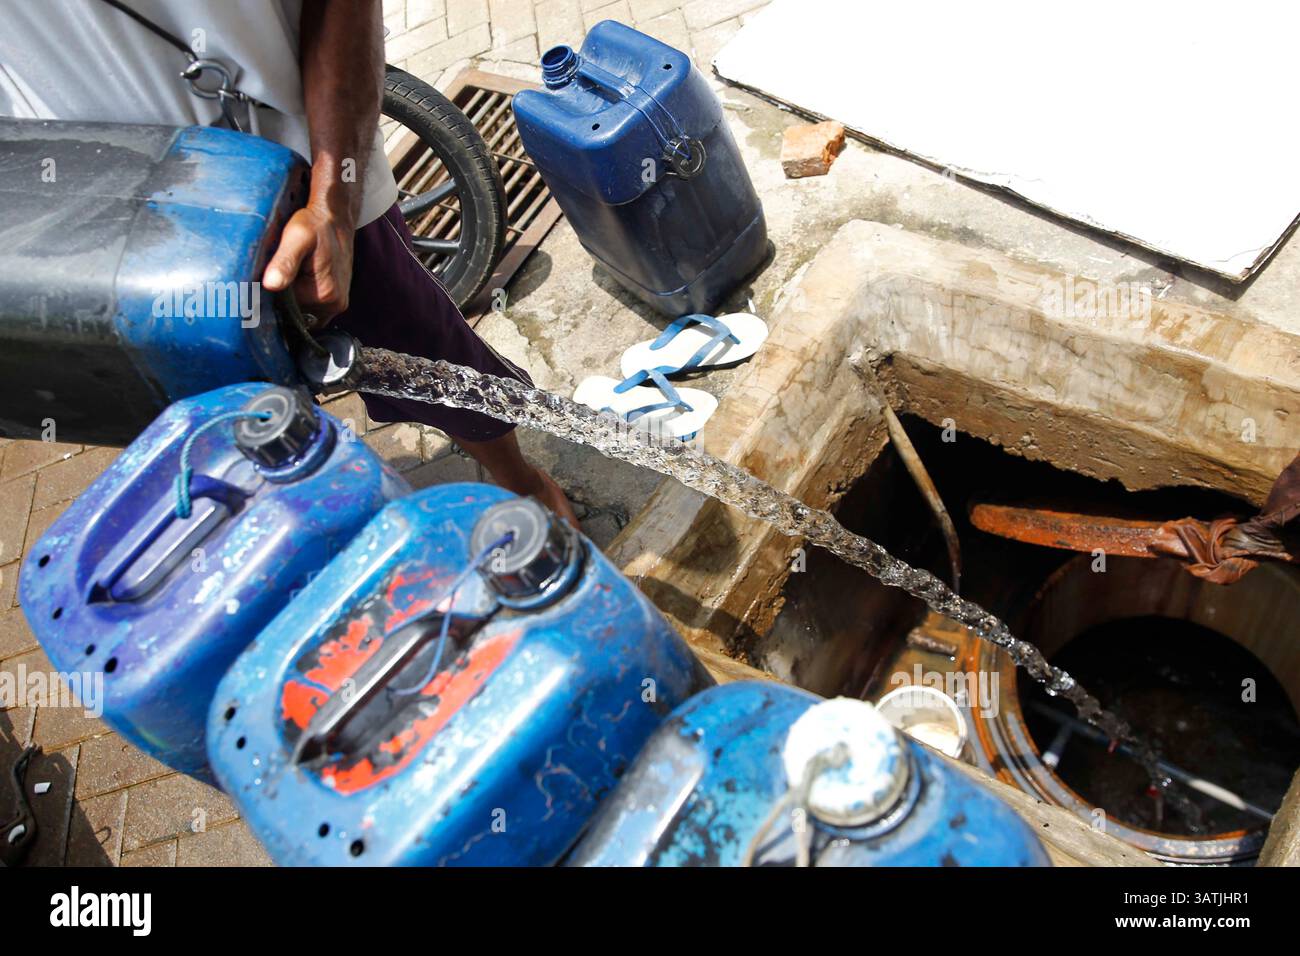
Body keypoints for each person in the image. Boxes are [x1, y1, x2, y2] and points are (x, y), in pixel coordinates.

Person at [0, 0, 577, 524]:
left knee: (425, 344)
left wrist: (332, 203)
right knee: (225, 432)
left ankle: (519, 481)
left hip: (298, 168)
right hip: (115, 236)